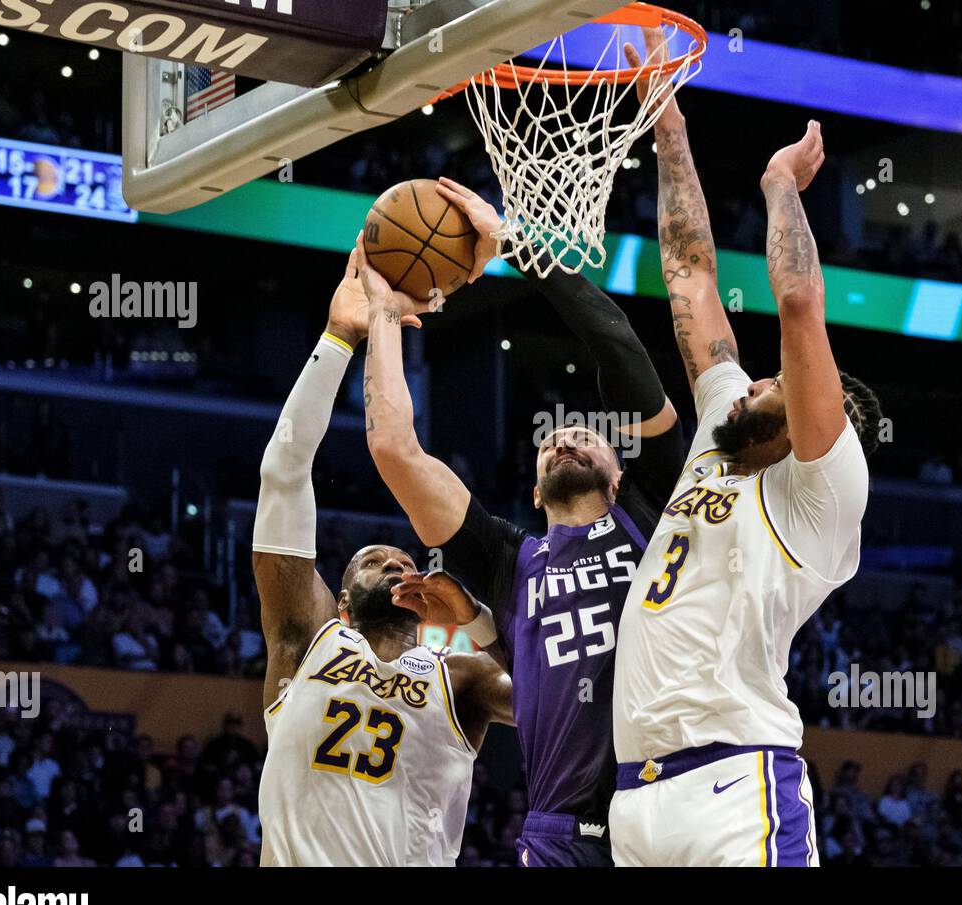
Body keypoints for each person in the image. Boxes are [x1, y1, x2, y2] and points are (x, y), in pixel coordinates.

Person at [609, 34, 879, 867]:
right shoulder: (724, 429)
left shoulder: (821, 492)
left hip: (736, 782)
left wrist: (778, 184)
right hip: (636, 796)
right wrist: (669, 129)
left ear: (812, 421)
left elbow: (797, 303)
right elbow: (690, 273)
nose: (753, 377)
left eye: (776, 382)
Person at [360, 178, 686, 867]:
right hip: (560, 834)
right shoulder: (510, 561)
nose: (565, 438)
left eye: (587, 435)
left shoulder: (652, 509)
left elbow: (615, 343)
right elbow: (394, 450)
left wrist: (518, 244)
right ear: (535, 494)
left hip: (665, 817)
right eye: (551, 441)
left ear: (619, 473)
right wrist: (383, 318)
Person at [252, 251, 512, 866]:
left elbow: (562, 698)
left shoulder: (462, 677)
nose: (395, 562)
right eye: (372, 560)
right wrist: (338, 338)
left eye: (403, 559)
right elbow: (283, 473)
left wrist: (475, 619)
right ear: (340, 601)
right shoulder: (306, 642)